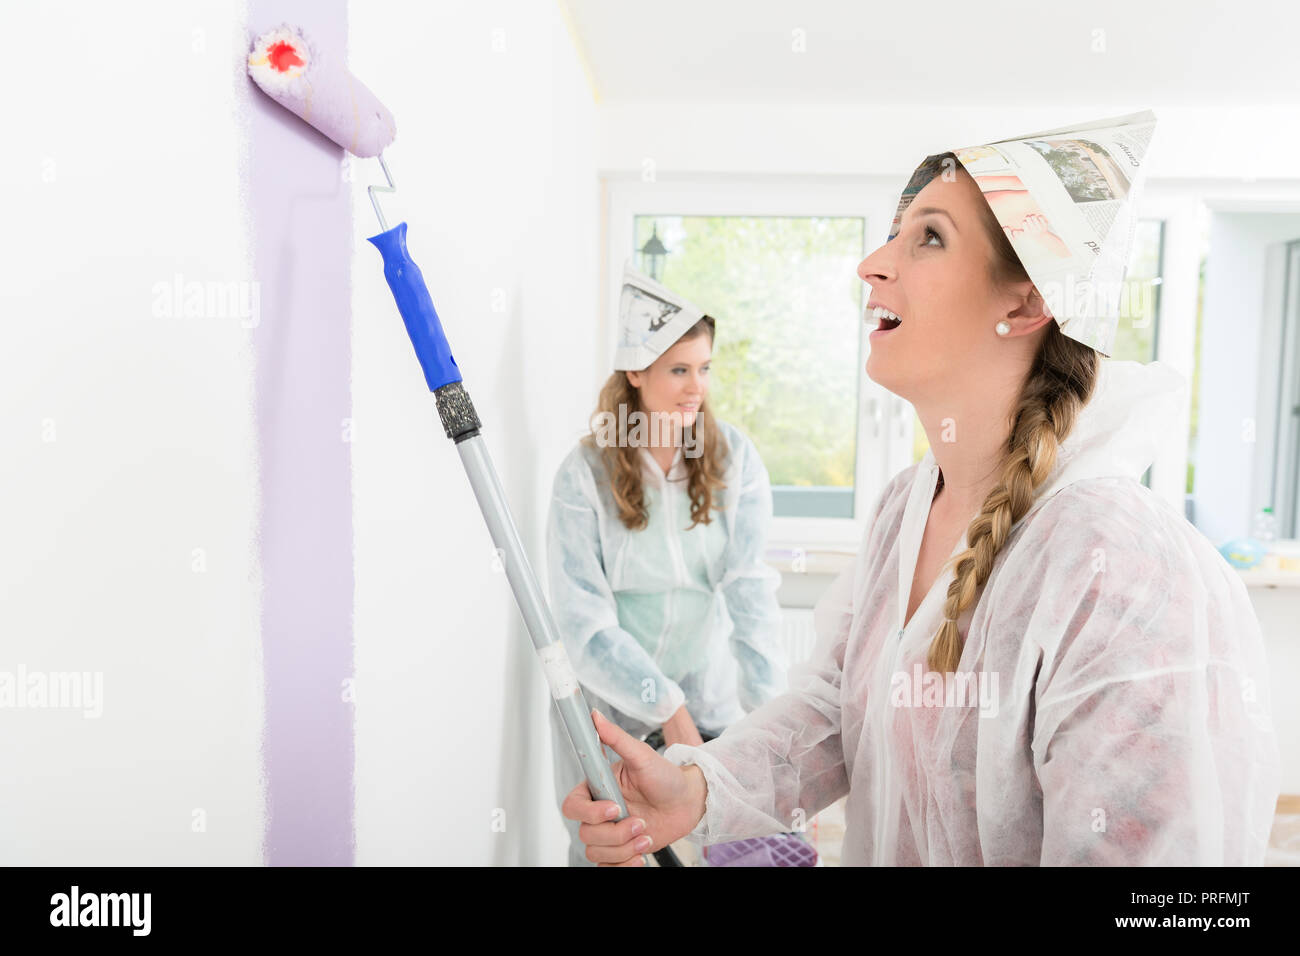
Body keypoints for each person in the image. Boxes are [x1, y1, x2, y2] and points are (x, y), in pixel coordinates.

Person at [561, 123, 1281, 866]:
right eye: (891, 236)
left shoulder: (1118, 564)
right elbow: (836, 713)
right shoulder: (906, 508)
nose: (872, 265)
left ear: (1028, 301)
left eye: (927, 238)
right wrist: (698, 790)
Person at [546, 265, 788, 867]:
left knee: (719, 845)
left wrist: (774, 722)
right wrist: (666, 707)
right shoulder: (584, 474)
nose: (695, 387)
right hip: (610, 713)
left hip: (706, 700)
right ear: (636, 371)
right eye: (679, 369)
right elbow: (584, 625)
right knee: (615, 851)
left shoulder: (733, 457)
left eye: (704, 368)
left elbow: (750, 588)